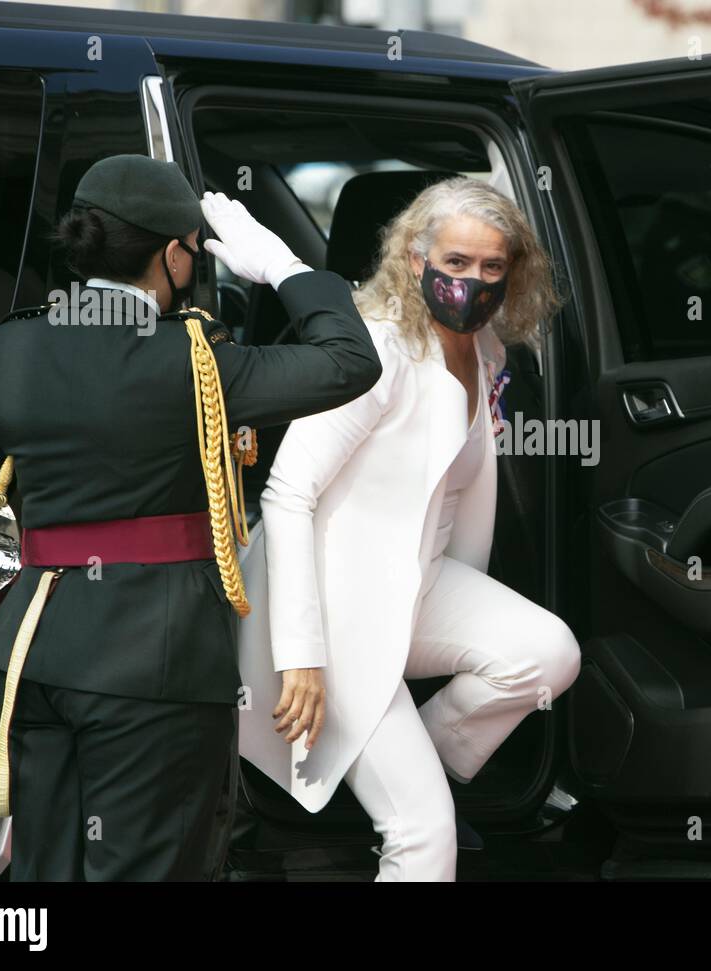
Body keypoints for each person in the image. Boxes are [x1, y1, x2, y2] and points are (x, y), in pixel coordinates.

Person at [0, 154, 382, 880]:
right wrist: (286, 266)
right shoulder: (196, 361)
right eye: (193, 252)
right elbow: (351, 360)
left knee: (45, 876)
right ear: (172, 252)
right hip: (155, 672)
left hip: (33, 657)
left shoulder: (15, 345)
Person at [236, 176, 581, 881]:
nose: (473, 283)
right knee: (424, 837)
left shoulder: (485, 350)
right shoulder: (379, 349)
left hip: (415, 581)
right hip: (335, 610)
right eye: (456, 263)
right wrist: (299, 652)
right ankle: (409, 787)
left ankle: (420, 755)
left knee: (549, 653)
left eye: (492, 268)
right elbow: (288, 492)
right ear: (415, 257)